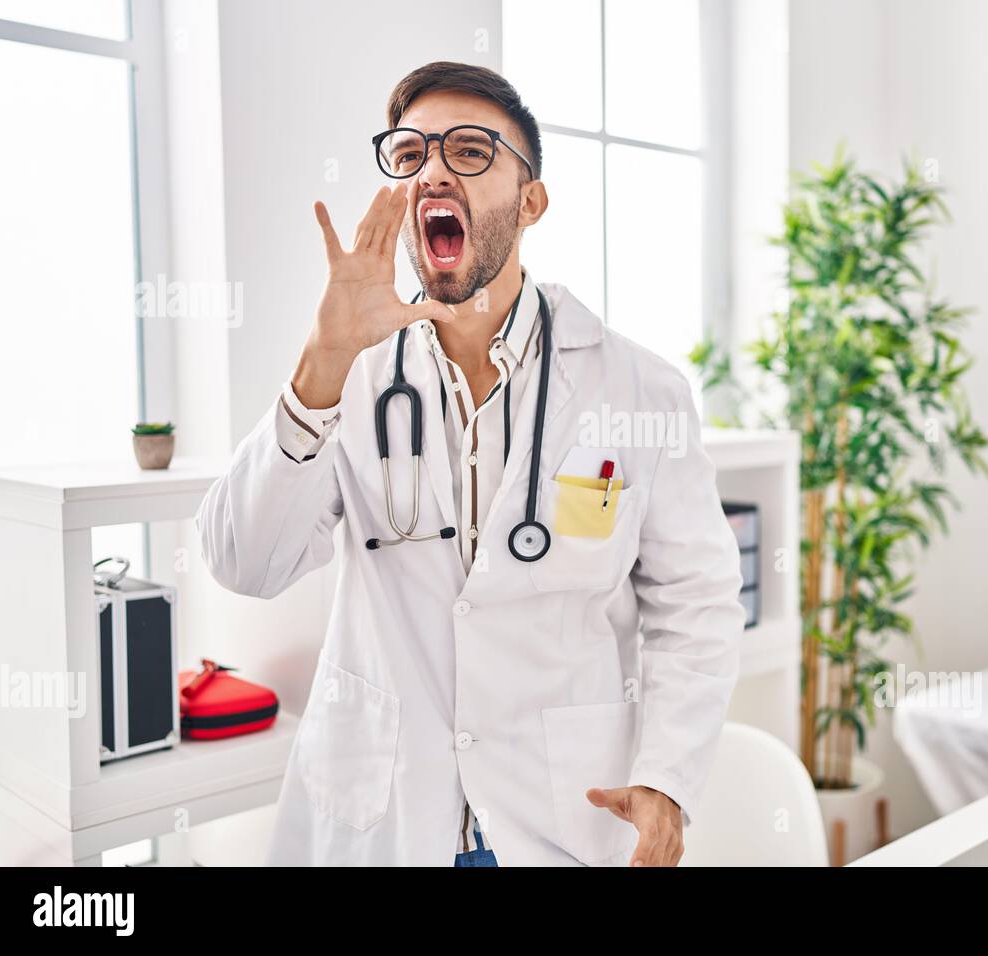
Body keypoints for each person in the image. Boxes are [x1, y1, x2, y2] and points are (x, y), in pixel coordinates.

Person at [196, 61, 745, 867]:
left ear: (532, 201)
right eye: (410, 154)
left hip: (559, 820)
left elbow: (697, 602)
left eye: (469, 151)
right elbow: (244, 561)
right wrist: (321, 363)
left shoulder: (637, 389)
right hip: (384, 822)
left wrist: (666, 776)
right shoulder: (350, 374)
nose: (432, 172)